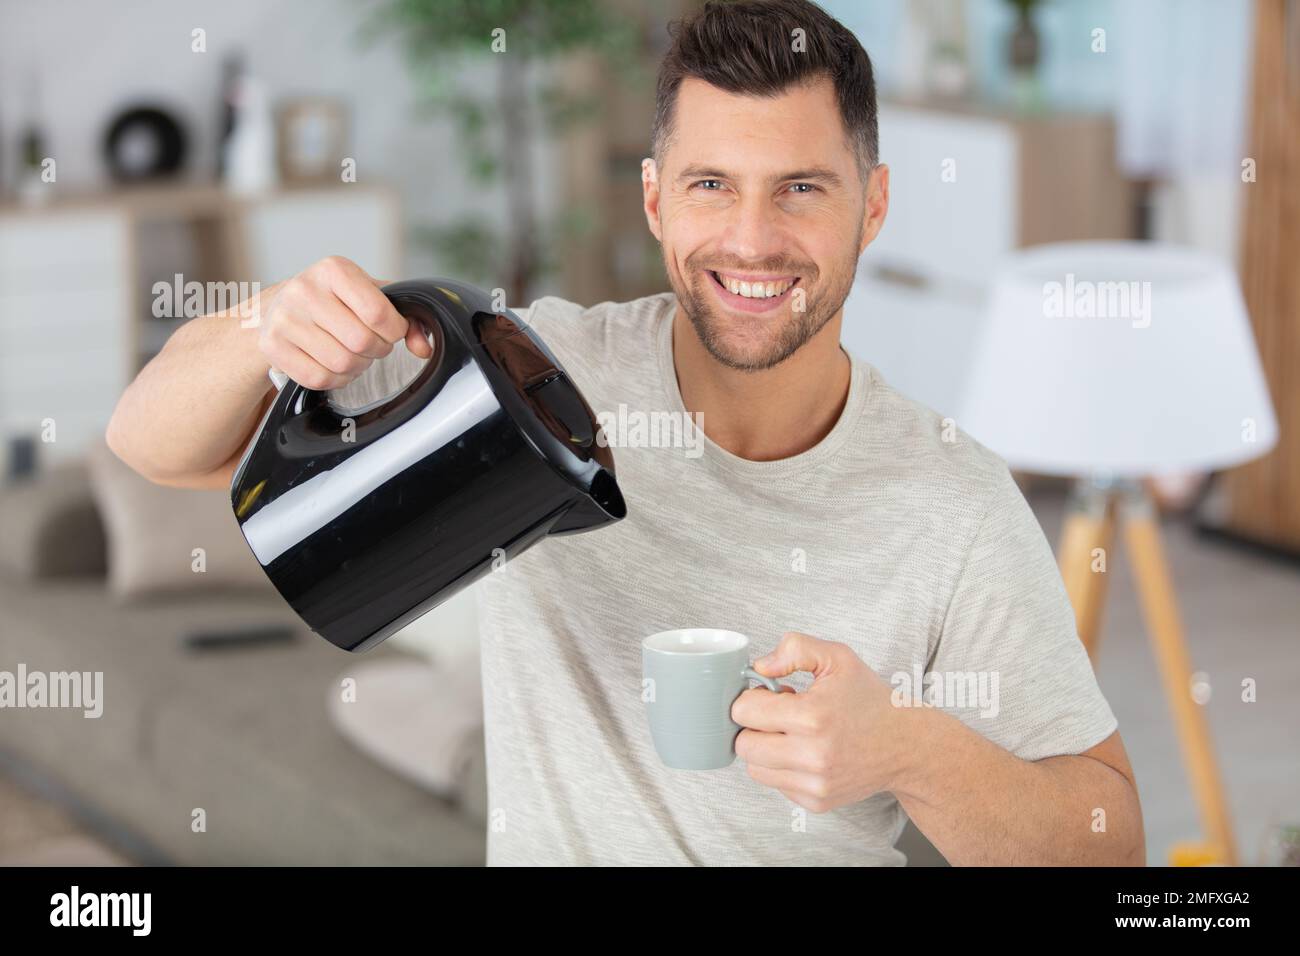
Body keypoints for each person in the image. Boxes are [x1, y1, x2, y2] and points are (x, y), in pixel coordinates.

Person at [107, 0, 1143, 865]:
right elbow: (155, 443)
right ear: (653, 199)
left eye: (800, 188)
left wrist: (909, 749)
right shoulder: (524, 381)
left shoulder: (949, 498)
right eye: (709, 185)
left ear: (871, 206)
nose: (750, 238)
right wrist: (260, 328)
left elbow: (1109, 838)